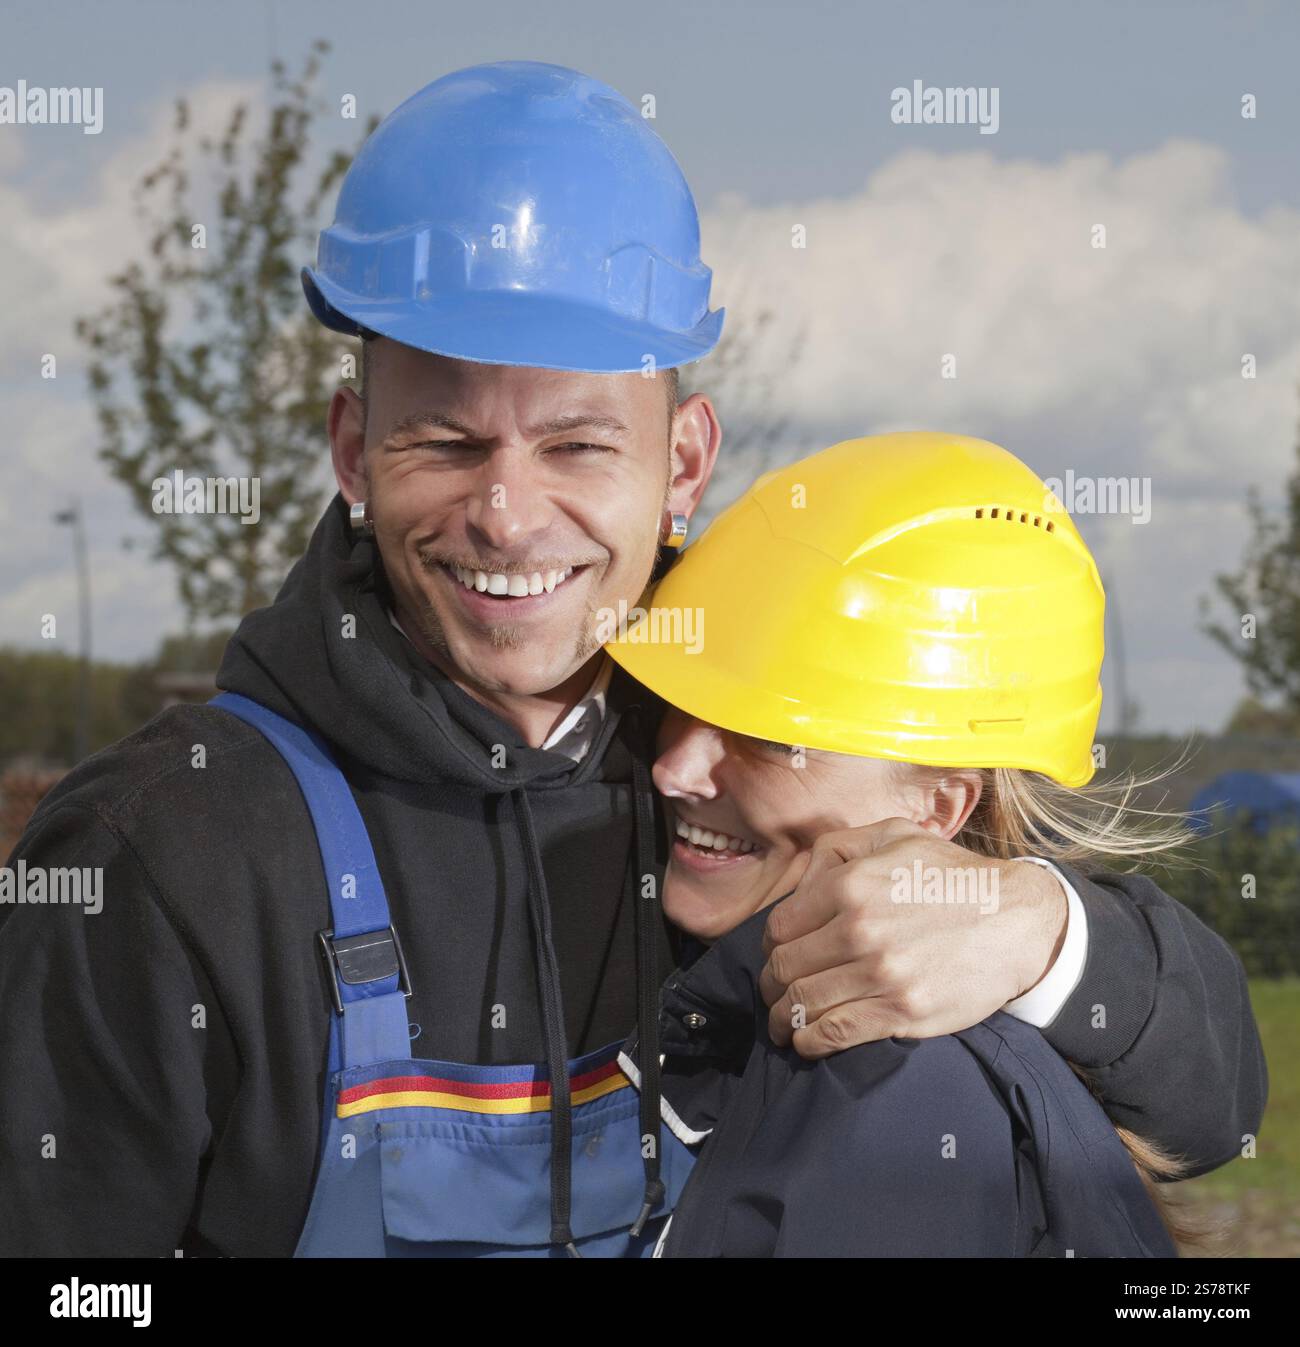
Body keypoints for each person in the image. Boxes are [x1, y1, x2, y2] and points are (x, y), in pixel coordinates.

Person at [0, 65, 1264, 1258]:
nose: (505, 515)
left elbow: (1211, 1105)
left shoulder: (743, 769)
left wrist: (1038, 932)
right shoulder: (165, 850)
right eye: (443, 439)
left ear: (685, 463)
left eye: (576, 446)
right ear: (350, 448)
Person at [607, 431, 1234, 1256]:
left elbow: (1212, 1068)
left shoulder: (900, 1097)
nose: (673, 766)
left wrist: (1044, 930)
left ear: (939, 806)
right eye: (677, 699)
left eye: (765, 736)